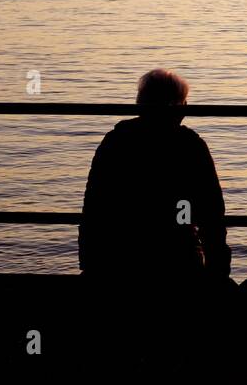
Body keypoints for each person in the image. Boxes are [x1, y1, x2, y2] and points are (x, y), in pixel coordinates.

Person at [79, 68, 231, 285]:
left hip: (120, 258)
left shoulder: (116, 141)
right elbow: (211, 211)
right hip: (178, 257)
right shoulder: (190, 145)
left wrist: (90, 263)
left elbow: (94, 206)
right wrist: (218, 268)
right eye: (184, 102)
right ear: (177, 108)